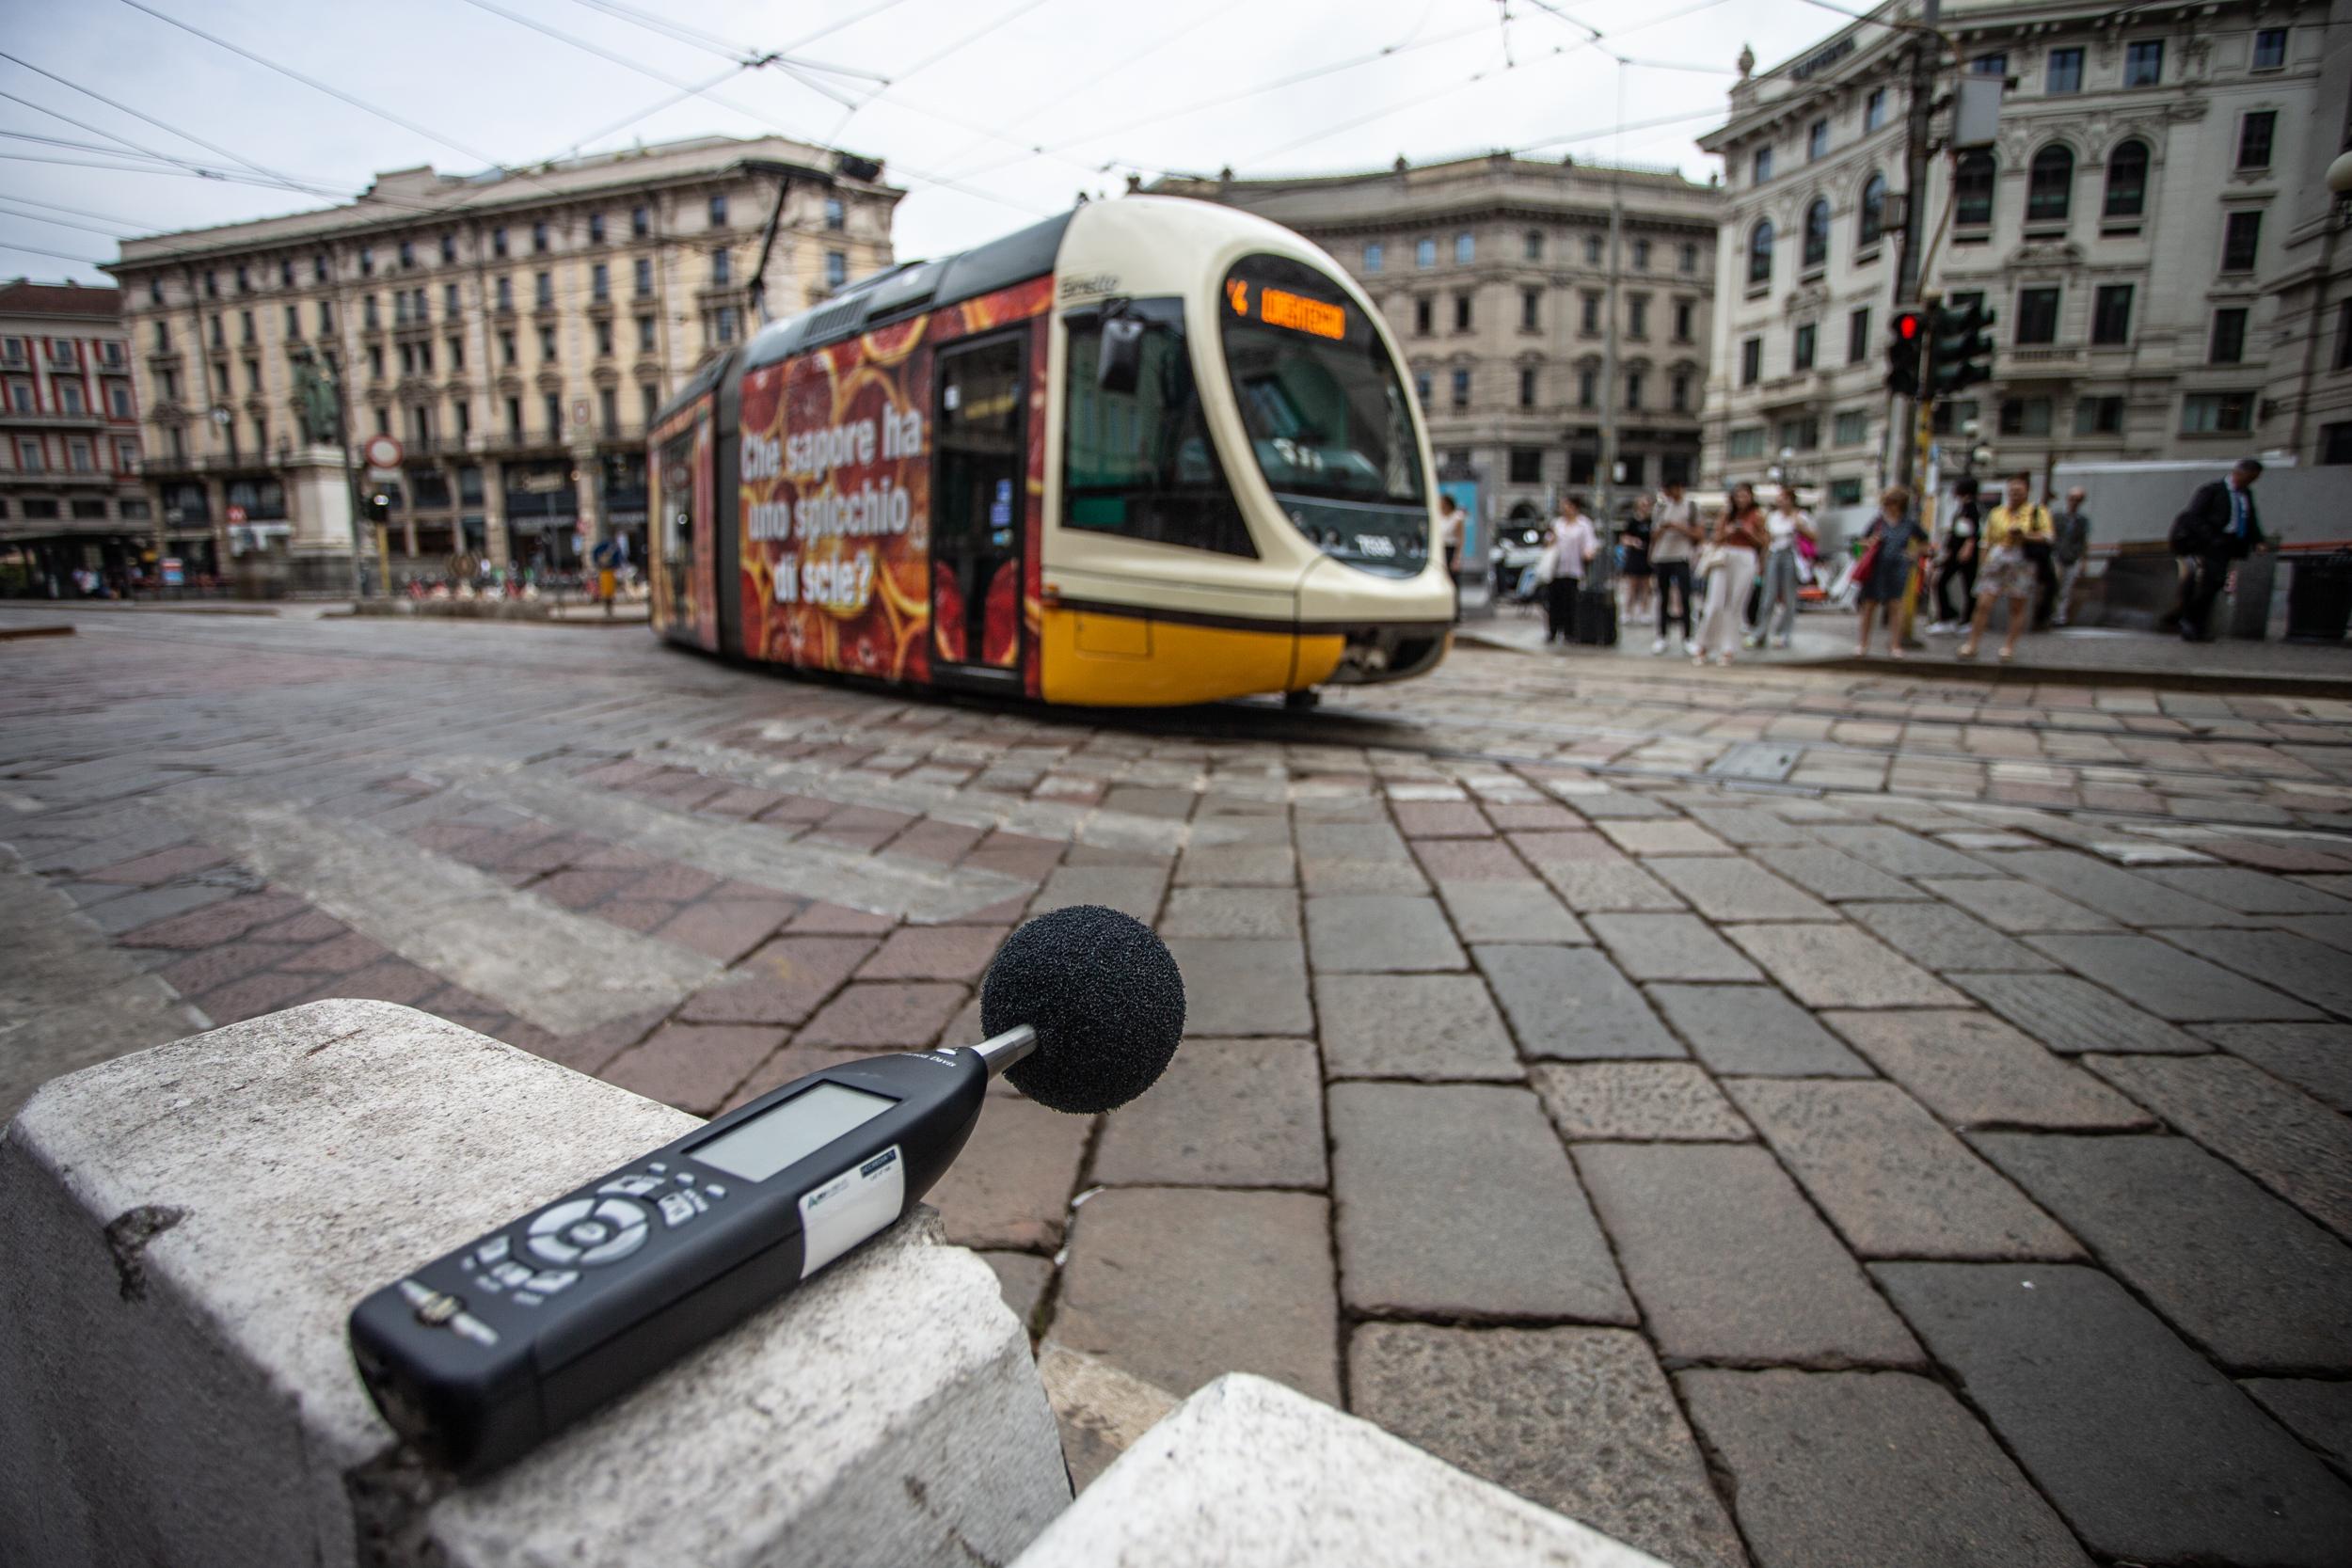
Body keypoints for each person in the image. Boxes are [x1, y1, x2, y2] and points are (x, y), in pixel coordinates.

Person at [1959, 472, 2053, 662]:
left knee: (2017, 605)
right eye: (2012, 490)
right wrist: (1983, 564)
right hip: (1998, 556)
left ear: (2027, 491)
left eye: (2019, 490)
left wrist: (2024, 535)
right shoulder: (1997, 512)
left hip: (2022, 558)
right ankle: (1972, 644)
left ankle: (2009, 647)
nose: (2015, 493)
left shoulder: (2037, 511)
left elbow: (2048, 536)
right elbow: (1986, 540)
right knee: (1983, 603)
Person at [2171, 458, 2267, 641]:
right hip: (2212, 544)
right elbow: (2193, 517)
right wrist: (2211, 537)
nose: (2250, 482)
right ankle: (2190, 621)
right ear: (2238, 473)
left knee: (2215, 584)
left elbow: (2251, 519)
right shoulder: (2213, 491)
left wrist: (2258, 540)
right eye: (2249, 478)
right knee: (2211, 582)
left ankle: (2196, 624)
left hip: (2231, 544)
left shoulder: (2245, 494)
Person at [1694, 483, 1767, 667]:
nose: (1741, 499)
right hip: (1724, 556)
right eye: (1738, 495)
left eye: (1745, 495)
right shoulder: (1727, 514)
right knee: (1714, 603)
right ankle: (1703, 645)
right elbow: (1715, 538)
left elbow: (1765, 542)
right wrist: (1728, 531)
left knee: (1735, 606)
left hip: (1746, 557)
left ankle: (1728, 648)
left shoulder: (1757, 515)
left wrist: (1748, 533)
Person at [1853, 485, 1925, 657]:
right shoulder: (1878, 522)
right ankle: (1863, 644)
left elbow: (1925, 543)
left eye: (1891, 503)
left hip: (1898, 569)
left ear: (1899, 504)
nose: (1887, 507)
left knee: (1895, 605)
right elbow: (1860, 543)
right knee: (1869, 605)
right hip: (1876, 568)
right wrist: (1870, 543)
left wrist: (1913, 554)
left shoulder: (1909, 524)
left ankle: (1895, 645)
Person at [1749, 485, 1817, 651]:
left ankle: (1783, 634)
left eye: (1784, 498)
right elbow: (1768, 541)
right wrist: (1762, 562)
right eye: (1780, 498)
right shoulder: (1773, 517)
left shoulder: (1800, 516)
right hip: (1774, 555)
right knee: (1768, 596)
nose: (1781, 501)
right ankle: (1760, 632)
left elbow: (1814, 537)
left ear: (1791, 500)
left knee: (1789, 597)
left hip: (1791, 555)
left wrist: (1800, 526)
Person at [1649, 480, 1698, 654]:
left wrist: (1678, 527)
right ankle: (1661, 636)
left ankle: (1688, 637)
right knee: (1662, 598)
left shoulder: (1690, 506)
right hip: (1662, 556)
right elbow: (1653, 535)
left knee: (1685, 597)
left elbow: (1698, 533)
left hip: (1682, 556)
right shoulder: (1660, 507)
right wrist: (1663, 528)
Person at [1544, 494, 1599, 645]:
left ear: (1574, 507)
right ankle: (1553, 630)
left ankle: (1570, 631)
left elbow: (1590, 543)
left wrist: (1588, 552)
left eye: (1567, 505)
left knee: (1570, 601)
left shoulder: (1584, 524)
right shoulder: (1557, 523)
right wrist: (1550, 540)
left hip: (1574, 568)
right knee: (1554, 601)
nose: (1564, 508)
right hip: (1556, 568)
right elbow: (1548, 540)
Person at [1929, 476, 1980, 633]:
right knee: (1944, 583)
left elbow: (1972, 531)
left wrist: (1967, 547)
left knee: (1963, 585)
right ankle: (1951, 616)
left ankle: (1963, 620)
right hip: (1955, 552)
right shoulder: (1962, 507)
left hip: (1962, 554)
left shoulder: (1971, 508)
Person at [2051, 486, 2090, 627]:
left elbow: (2083, 541)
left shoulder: (2082, 521)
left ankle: (2060, 617)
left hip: (2072, 557)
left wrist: (2083, 560)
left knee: (2066, 589)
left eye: (2078, 499)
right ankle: (2050, 613)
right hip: (2057, 555)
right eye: (2072, 498)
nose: (2074, 502)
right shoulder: (2058, 517)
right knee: (2054, 586)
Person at [1619, 493, 1654, 625]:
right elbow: (1624, 538)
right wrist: (1633, 542)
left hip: (1647, 555)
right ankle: (1628, 611)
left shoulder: (1651, 522)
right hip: (1634, 555)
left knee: (1646, 585)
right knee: (1632, 585)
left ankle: (1644, 611)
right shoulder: (1632, 521)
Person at [1439, 496, 1466, 621]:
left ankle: (1456, 612)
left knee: (1453, 582)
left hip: (1451, 550)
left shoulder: (1457, 518)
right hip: (1441, 549)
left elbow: (1460, 539)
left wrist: (1457, 558)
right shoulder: (1439, 516)